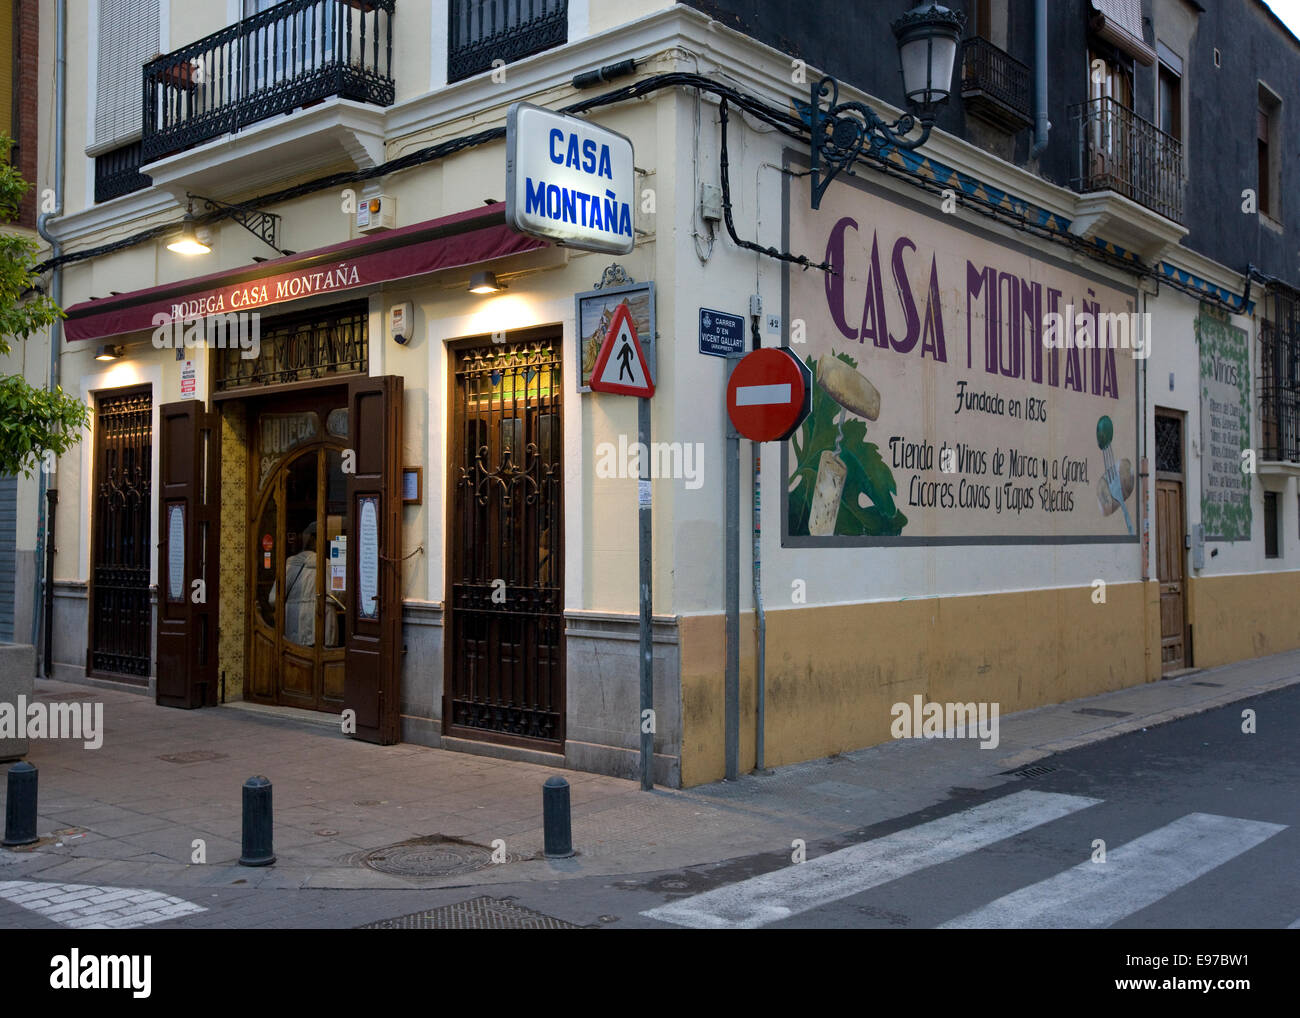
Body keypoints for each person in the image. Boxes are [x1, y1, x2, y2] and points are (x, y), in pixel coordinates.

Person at [269, 521, 335, 646]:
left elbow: (273, 599)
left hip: (294, 627)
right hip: (322, 625)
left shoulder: (290, 564)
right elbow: (336, 595)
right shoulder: (327, 564)